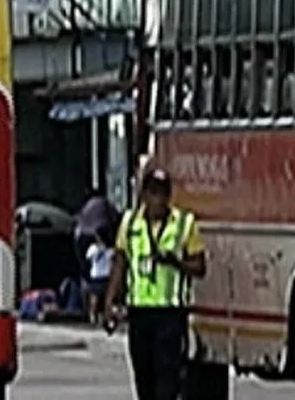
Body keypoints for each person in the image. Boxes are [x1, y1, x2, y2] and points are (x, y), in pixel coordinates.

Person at [105, 168, 206, 400]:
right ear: (144, 196)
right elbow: (120, 262)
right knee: (144, 380)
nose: (158, 201)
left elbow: (199, 268)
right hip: (139, 313)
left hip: (170, 315)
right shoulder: (130, 223)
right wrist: (109, 303)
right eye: (153, 194)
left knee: (167, 381)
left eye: (163, 194)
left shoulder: (184, 223)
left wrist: (176, 263)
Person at [83, 225, 114, 325]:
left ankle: (96, 316)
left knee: (96, 297)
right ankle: (96, 316)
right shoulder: (99, 249)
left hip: (98, 276)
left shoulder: (96, 249)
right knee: (98, 298)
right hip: (103, 275)